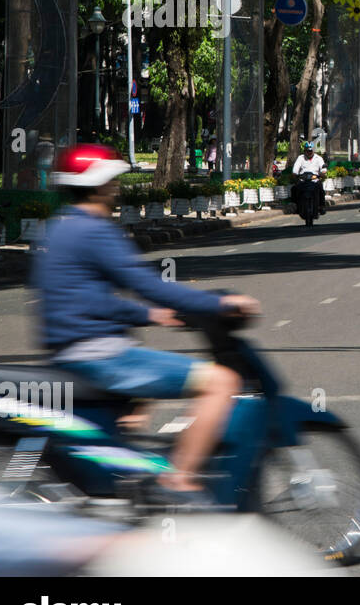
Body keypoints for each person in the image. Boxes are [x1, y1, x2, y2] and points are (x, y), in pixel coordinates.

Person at [34, 144, 261, 504]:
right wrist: (220, 303)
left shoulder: (60, 231)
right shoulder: (96, 230)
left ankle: (127, 487)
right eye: (112, 181)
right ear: (96, 185)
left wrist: (147, 316)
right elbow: (150, 286)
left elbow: (88, 300)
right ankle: (180, 481)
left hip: (72, 353)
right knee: (222, 382)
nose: (117, 188)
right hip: (103, 358)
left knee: (137, 410)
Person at [292, 140, 328, 214]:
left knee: (321, 189)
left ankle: (322, 206)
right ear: (304, 151)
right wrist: (295, 173)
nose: (309, 153)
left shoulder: (319, 158)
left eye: (310, 151)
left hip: (314, 180)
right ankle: (297, 206)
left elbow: (323, 168)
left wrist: (322, 172)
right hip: (303, 180)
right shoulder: (300, 158)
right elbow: (295, 169)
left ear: (313, 151)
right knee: (294, 189)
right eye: (307, 151)